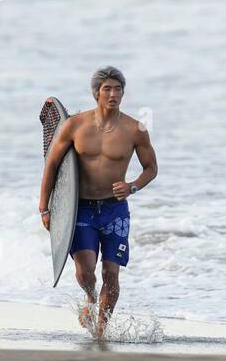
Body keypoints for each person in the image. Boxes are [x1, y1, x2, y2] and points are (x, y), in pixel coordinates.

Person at [39, 65, 158, 339]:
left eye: (118, 89)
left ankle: (100, 331)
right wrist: (44, 207)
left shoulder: (135, 129)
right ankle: (90, 297)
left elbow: (151, 168)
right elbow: (53, 164)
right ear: (96, 93)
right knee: (85, 271)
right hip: (81, 209)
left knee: (111, 273)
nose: (113, 94)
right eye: (107, 89)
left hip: (115, 211)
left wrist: (132, 187)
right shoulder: (74, 126)